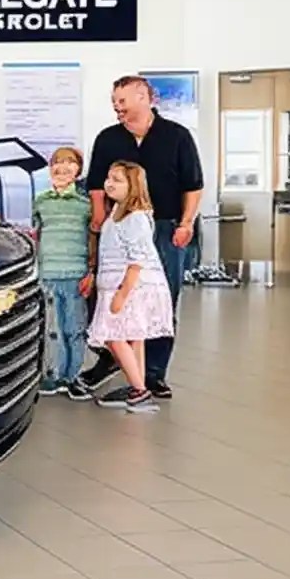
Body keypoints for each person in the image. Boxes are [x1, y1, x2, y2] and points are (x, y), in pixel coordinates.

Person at [78, 77, 203, 399]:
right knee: (108, 296)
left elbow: (193, 185)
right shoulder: (108, 138)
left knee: (159, 298)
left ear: (145, 97)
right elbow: (95, 184)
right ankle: (112, 359)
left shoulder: (177, 136)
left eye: (123, 100)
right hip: (118, 226)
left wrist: (185, 224)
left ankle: (153, 374)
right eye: (114, 101)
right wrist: (99, 216)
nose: (117, 107)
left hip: (164, 226)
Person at [87, 161, 175, 413]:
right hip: (117, 283)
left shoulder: (135, 217)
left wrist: (121, 295)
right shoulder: (117, 212)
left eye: (117, 180)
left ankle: (139, 390)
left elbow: (137, 260)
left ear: (133, 186)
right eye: (108, 178)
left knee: (114, 336)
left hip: (130, 286)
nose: (109, 183)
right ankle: (137, 384)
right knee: (134, 337)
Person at [31, 146, 95, 399]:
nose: (63, 167)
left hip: (76, 273)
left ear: (79, 169)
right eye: (57, 162)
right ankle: (53, 375)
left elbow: (92, 239)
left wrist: (91, 271)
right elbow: (36, 233)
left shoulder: (85, 204)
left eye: (70, 162)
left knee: (75, 327)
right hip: (48, 273)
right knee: (51, 329)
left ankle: (74, 376)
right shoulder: (41, 200)